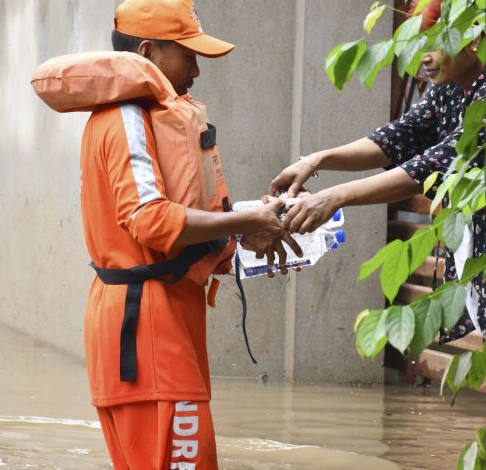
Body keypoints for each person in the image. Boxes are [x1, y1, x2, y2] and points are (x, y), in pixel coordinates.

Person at [35, 1, 300, 468]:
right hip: (149, 332)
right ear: (147, 52)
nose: (197, 69)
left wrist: (244, 230)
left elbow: (163, 221)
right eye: (187, 55)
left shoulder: (127, 117)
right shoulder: (128, 118)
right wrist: (244, 223)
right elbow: (151, 220)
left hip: (145, 323)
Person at [270, 0, 486, 416]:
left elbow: (434, 163)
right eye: (417, 41)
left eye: (435, 41)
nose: (422, 55)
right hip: (485, 270)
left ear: (475, 39)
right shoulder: (448, 90)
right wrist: (316, 160)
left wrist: (336, 196)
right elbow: (394, 140)